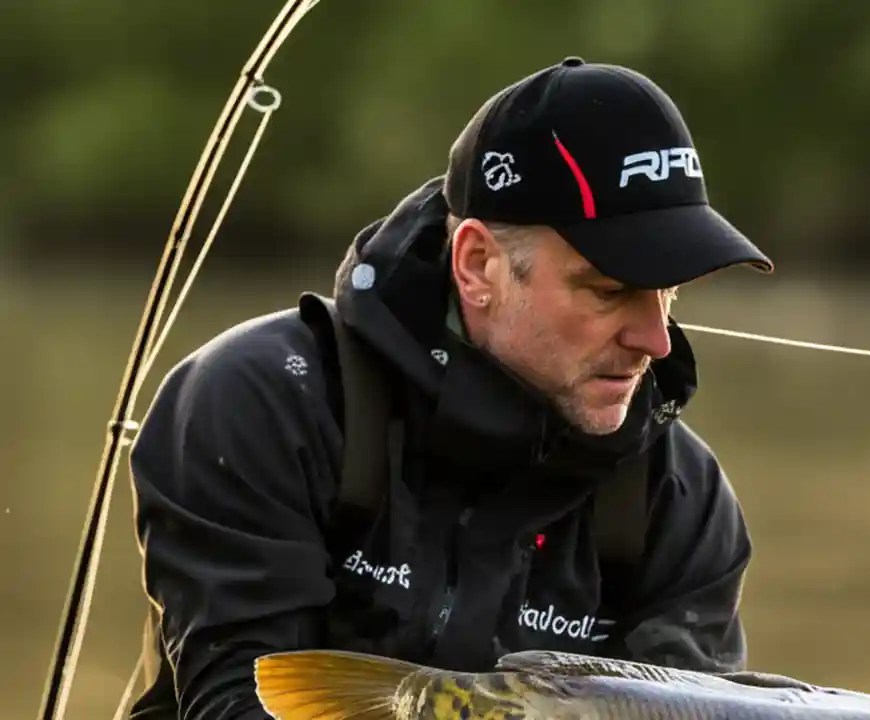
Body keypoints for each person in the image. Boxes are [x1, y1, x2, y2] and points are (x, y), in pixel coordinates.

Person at [126, 56, 774, 719]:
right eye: (609, 290)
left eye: (669, 290)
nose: (656, 340)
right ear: (478, 265)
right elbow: (243, 705)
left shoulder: (678, 498)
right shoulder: (262, 402)